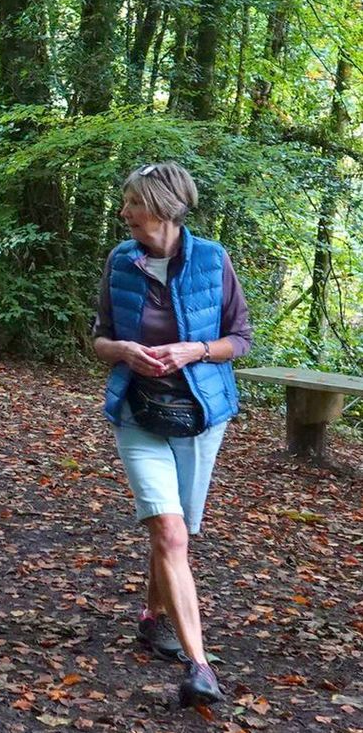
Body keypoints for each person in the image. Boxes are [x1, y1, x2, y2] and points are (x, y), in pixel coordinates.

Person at [92, 162, 252, 709]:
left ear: (162, 207)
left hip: (202, 415)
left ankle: (153, 613)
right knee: (171, 532)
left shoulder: (212, 259)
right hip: (138, 413)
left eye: (132, 202)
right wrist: (125, 352)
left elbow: (240, 338)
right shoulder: (120, 261)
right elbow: (100, 339)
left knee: (177, 531)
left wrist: (195, 350)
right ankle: (201, 666)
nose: (124, 212)